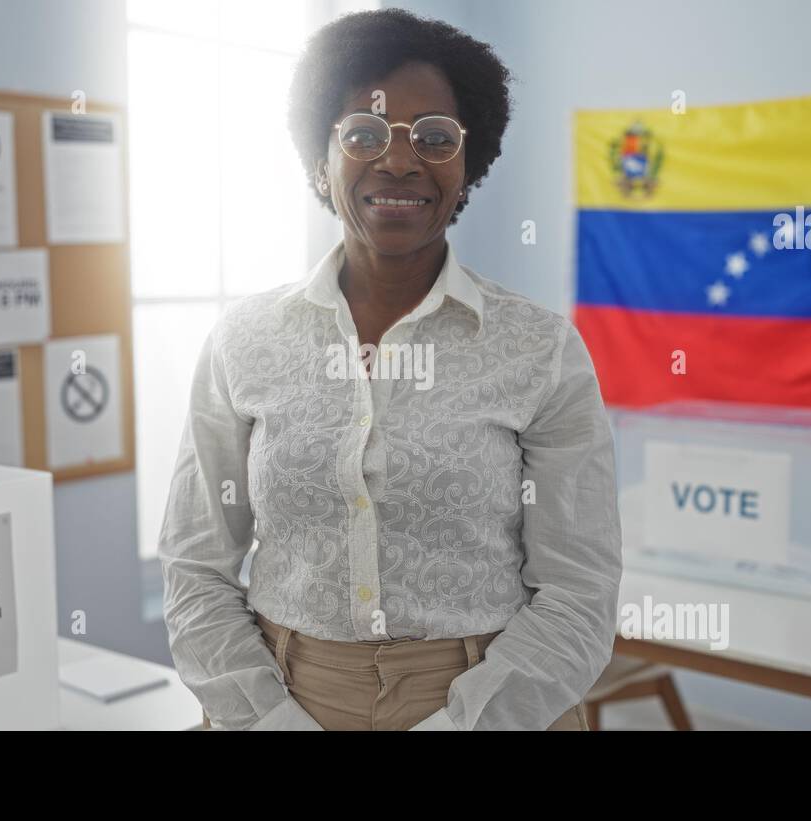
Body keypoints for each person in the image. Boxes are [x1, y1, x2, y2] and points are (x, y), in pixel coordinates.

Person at [158, 8, 621, 730]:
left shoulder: (541, 350)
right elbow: (195, 567)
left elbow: (579, 595)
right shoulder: (242, 340)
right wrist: (270, 718)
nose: (400, 161)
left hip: (493, 703)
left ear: (469, 164)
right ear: (321, 158)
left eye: (434, 138)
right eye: (363, 135)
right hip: (277, 696)